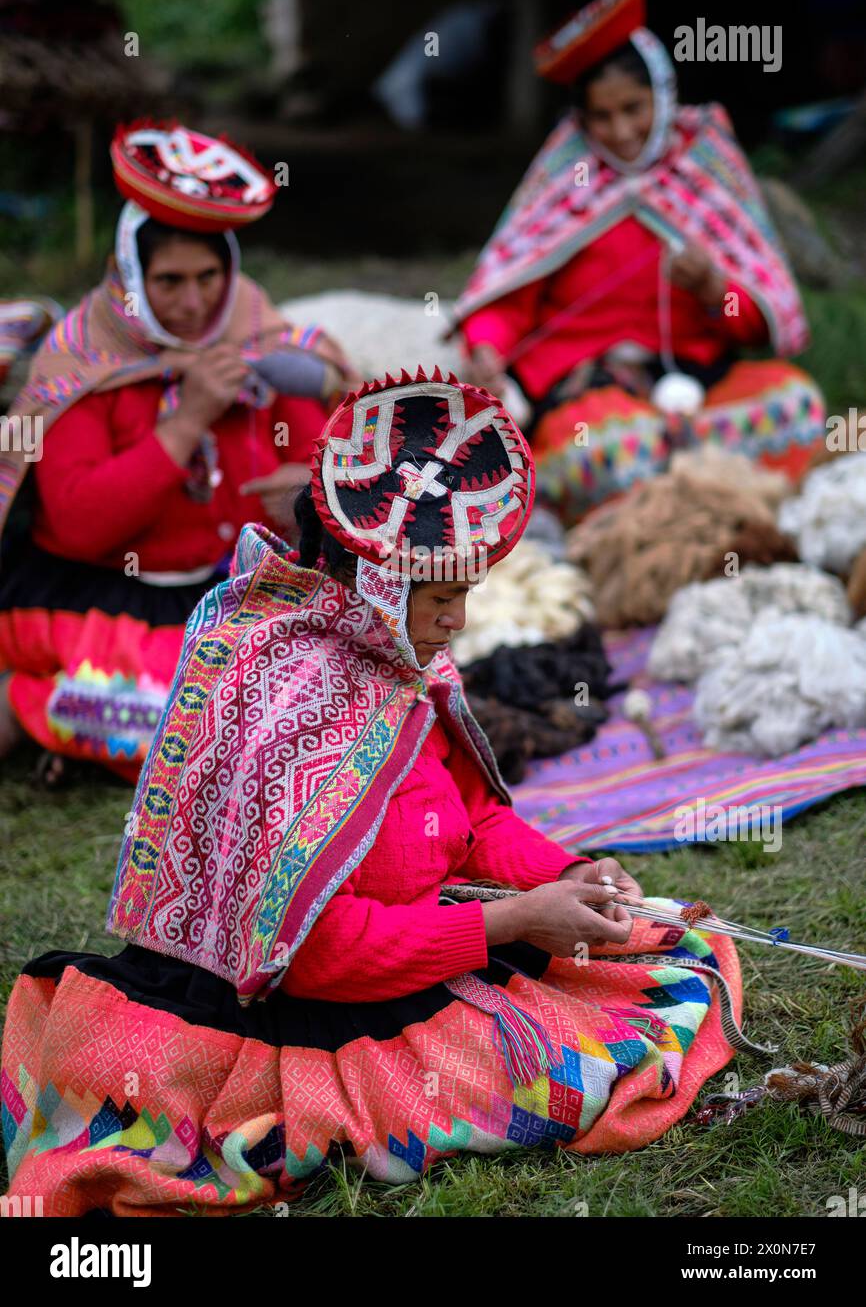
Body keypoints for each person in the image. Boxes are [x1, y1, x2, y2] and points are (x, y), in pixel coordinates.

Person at [1, 368, 742, 1216]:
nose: (458, 621)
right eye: (444, 597)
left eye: (465, 594)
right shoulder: (288, 695)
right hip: (294, 1012)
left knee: (671, 954)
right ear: (383, 583)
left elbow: (474, 820)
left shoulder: (398, 655)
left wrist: (567, 871)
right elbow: (317, 956)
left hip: (420, 937)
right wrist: (514, 919)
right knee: (578, 1062)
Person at [0, 122, 358, 783]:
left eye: (209, 277)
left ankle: (63, 724)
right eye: (168, 281)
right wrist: (189, 417)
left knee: (312, 686)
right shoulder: (81, 364)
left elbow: (319, 450)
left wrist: (306, 496)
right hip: (106, 600)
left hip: (228, 592)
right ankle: (28, 703)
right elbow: (78, 526)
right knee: (188, 721)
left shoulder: (254, 339)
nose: (195, 304)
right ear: (132, 277)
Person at [452, 0, 825, 525]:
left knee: (795, 404)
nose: (620, 131)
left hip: (696, 378)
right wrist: (486, 347)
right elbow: (510, 292)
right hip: (586, 383)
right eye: (601, 117)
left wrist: (711, 288)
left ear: (666, 96)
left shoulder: (705, 168)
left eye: (634, 108)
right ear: (582, 120)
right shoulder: (567, 177)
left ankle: (710, 520)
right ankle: (664, 533)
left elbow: (755, 326)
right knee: (613, 450)